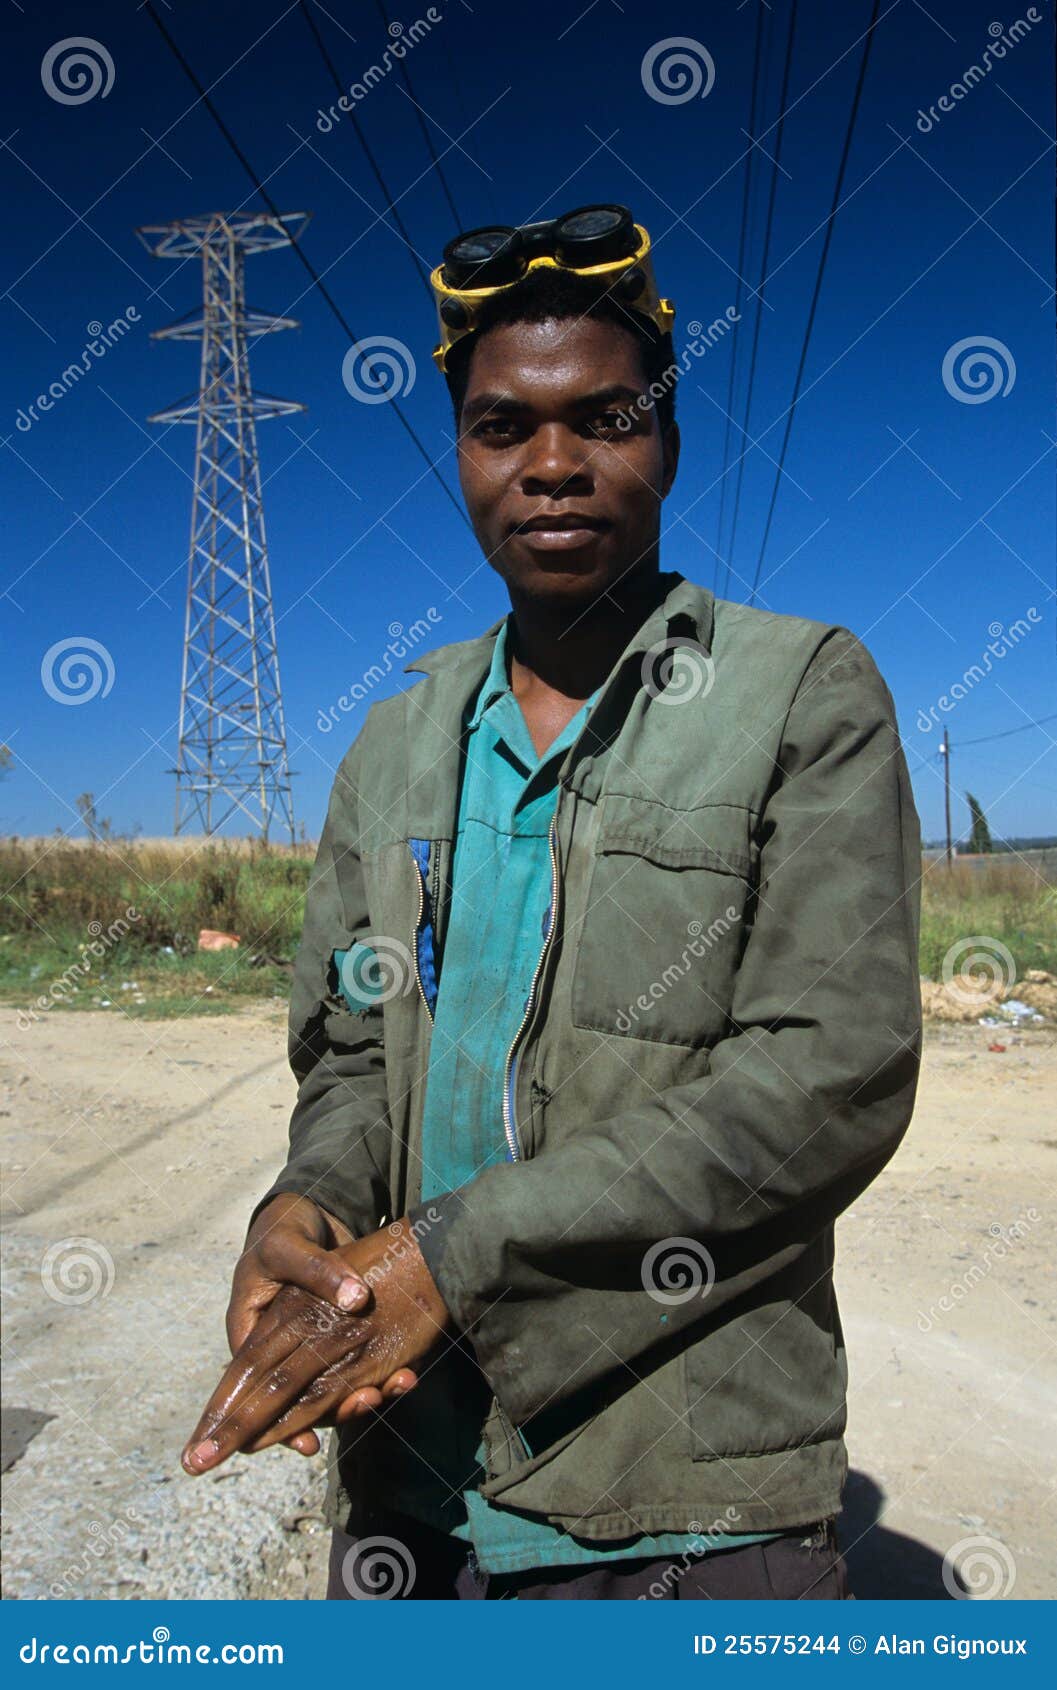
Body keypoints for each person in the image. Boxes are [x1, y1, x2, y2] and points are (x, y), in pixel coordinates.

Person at [181, 206, 922, 1601]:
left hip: (688, 1499)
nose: (554, 467)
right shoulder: (393, 741)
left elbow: (828, 1075)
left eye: (602, 419)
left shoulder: (798, 694)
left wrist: (455, 1254)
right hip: (412, 1485)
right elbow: (352, 1047)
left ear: (669, 441)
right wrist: (313, 1209)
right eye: (502, 426)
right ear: (458, 452)